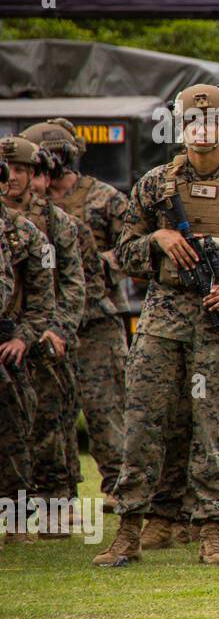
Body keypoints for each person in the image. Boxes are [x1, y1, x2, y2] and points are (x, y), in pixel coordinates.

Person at [93, 84, 219, 567]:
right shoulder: (155, 185)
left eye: (212, 122)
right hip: (163, 321)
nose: (203, 131)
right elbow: (123, 253)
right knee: (144, 423)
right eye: (194, 122)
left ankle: (212, 530)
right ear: (181, 127)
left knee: (211, 427)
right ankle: (129, 531)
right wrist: (158, 240)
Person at [35, 119, 131, 507]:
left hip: (96, 320)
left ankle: (119, 488)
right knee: (51, 413)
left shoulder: (105, 198)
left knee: (106, 408)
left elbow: (134, 250)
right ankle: (59, 495)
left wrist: (94, 264)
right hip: (46, 323)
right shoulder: (31, 206)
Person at [1, 137, 83, 538]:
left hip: (36, 336)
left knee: (46, 426)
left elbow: (70, 284)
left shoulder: (50, 223)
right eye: (9, 170)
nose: (15, 178)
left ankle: (52, 506)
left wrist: (54, 329)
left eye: (21, 170)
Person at [0, 142, 57, 544]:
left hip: (7, 342)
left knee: (14, 432)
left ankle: (17, 519)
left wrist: (24, 337)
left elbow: (43, 299)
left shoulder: (24, 233)